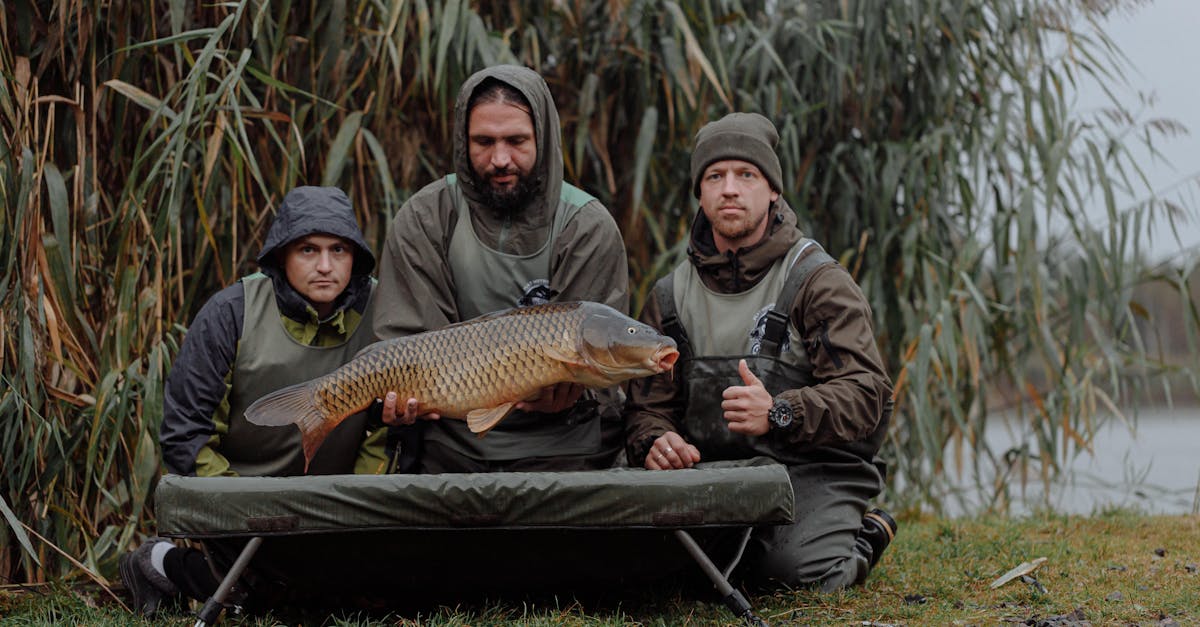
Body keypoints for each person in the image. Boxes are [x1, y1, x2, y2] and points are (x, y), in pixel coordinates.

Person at [623, 112, 898, 592]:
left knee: (792, 574)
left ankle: (864, 537)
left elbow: (868, 394)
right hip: (716, 471)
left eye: (746, 175)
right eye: (715, 177)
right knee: (652, 573)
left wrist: (781, 412)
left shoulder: (817, 281)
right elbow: (647, 408)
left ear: (772, 190)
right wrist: (656, 442)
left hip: (813, 466)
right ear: (701, 193)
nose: (729, 189)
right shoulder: (669, 297)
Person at [120, 186, 393, 616]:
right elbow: (186, 436)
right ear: (281, 256)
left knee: (351, 594)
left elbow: (386, 430)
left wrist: (356, 509)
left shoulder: (384, 310)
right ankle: (159, 562)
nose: (325, 266)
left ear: (355, 256)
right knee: (275, 596)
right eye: (308, 250)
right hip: (242, 504)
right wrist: (244, 509)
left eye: (338, 250)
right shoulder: (231, 312)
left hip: (340, 506)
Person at [372, 64, 629, 473]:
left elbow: (604, 361)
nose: (500, 159)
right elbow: (411, 349)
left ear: (542, 139)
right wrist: (403, 400)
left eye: (516, 141)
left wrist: (577, 390)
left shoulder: (586, 226)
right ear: (462, 141)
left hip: (563, 443)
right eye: (483, 142)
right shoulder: (426, 217)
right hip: (453, 442)